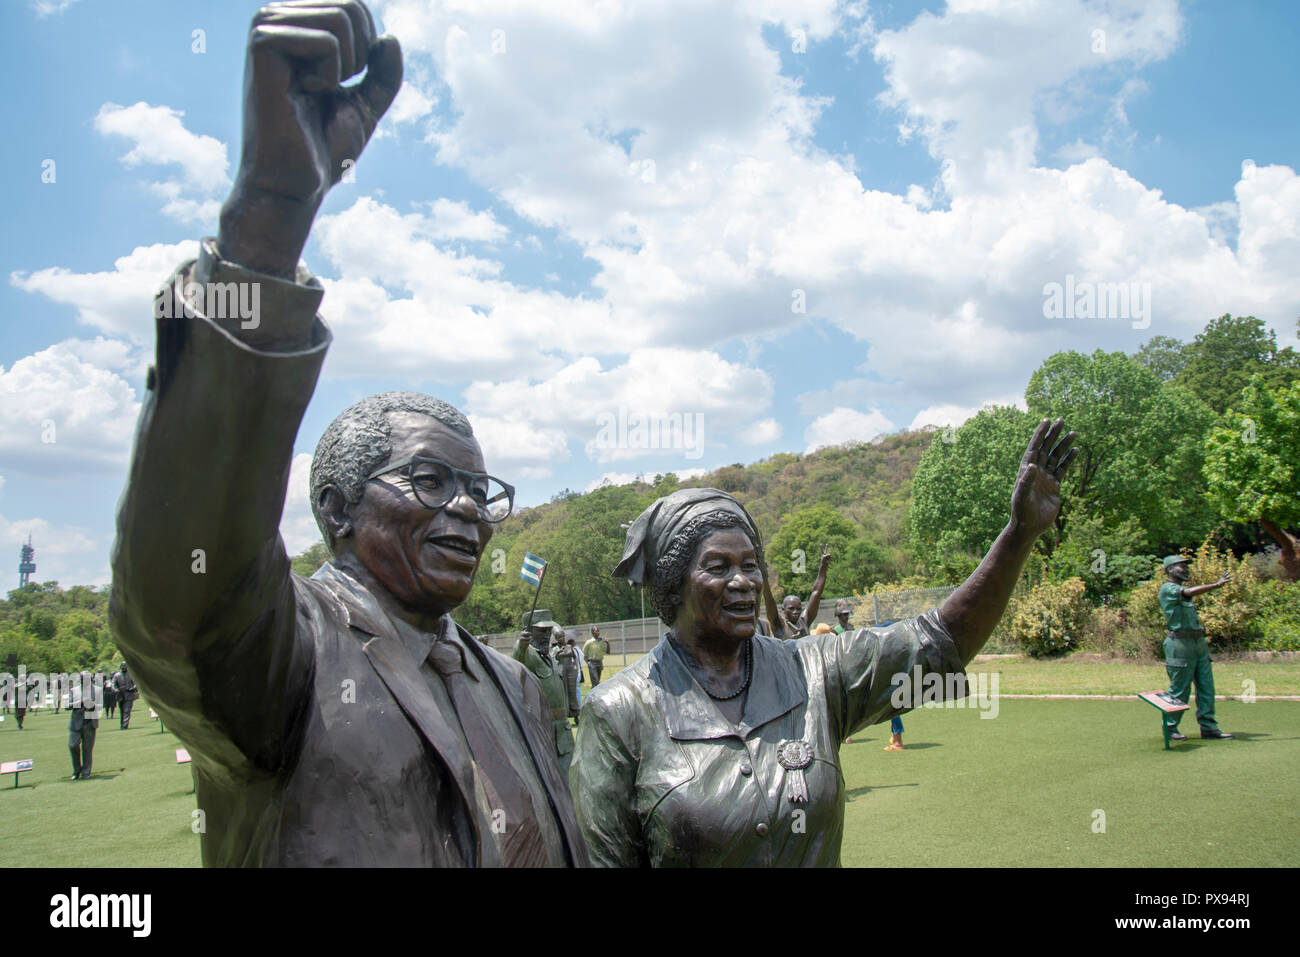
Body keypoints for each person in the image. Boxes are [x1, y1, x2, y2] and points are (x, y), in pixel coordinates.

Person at [108, 1, 587, 868]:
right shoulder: (287, 658)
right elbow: (189, 587)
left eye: (479, 492)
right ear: (335, 509)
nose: (468, 514)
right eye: (431, 483)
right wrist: (269, 215)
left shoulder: (512, 684)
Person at [572, 419, 1076, 866]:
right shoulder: (618, 712)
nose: (744, 581)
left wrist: (1018, 535)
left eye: (751, 565)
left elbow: (939, 641)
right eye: (718, 567)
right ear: (672, 584)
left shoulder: (816, 671)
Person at [1158, 555, 1234, 741]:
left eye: (1186, 566)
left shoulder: (1182, 590)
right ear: (1170, 570)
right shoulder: (1168, 589)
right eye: (1181, 566)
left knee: (1207, 687)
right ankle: (1170, 727)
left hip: (1198, 644)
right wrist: (1216, 585)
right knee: (1179, 690)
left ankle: (1208, 727)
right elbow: (1189, 592)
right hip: (1180, 645)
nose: (1185, 569)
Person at [513, 612, 576, 777]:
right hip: (541, 729)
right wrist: (521, 644)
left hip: (562, 731)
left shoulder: (550, 655)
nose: (547, 635)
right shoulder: (528, 654)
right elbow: (518, 657)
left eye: (549, 630)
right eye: (541, 631)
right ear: (528, 631)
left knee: (569, 779)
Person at [778, 545, 832, 638]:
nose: (795, 612)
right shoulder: (780, 626)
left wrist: (823, 566)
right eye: (791, 609)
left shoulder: (804, 622)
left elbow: (816, 593)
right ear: (783, 610)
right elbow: (768, 597)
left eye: (798, 609)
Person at [68, 672, 99, 780]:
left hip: (90, 722)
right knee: (73, 745)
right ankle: (77, 770)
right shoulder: (74, 690)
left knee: (87, 749)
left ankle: (86, 771)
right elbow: (67, 705)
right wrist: (80, 703)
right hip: (76, 722)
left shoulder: (96, 690)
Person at [112, 663, 137, 730]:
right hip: (120, 695)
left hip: (129, 694)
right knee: (122, 711)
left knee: (127, 710)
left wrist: (133, 688)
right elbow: (113, 684)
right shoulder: (117, 675)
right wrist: (116, 690)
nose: (124, 668)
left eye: (125, 667)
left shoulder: (131, 674)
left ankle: (124, 725)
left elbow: (136, 683)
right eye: (123, 667)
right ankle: (122, 724)